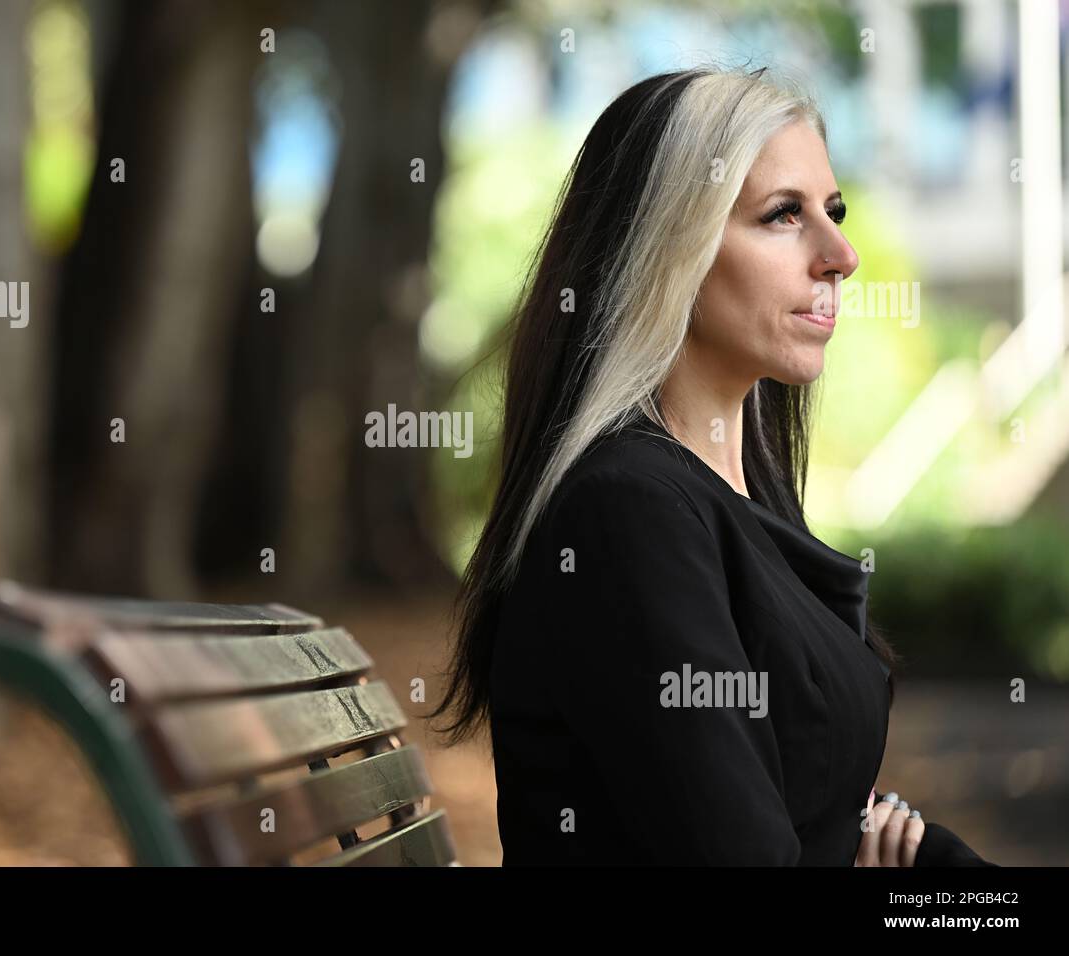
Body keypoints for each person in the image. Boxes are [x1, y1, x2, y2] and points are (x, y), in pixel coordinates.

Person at [426, 65, 997, 866]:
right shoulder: (627, 516)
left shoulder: (721, 501)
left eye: (833, 213)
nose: (841, 255)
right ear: (669, 252)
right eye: (781, 216)